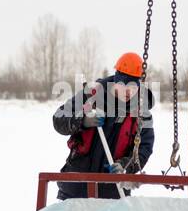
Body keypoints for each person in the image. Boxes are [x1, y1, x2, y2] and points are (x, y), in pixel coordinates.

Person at [52, 52, 155, 200]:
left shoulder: (141, 113)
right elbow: (58, 119)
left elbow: (144, 148)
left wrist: (126, 166)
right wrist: (82, 120)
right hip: (76, 188)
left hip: (113, 195)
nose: (128, 91)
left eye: (133, 86)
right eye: (123, 84)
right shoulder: (92, 95)